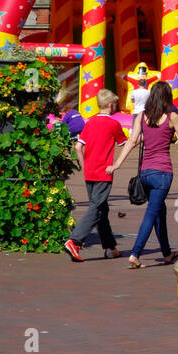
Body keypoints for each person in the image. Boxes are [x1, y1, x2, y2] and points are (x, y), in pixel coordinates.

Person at [109, 81, 178, 268]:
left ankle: (166, 253)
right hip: (162, 174)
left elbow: (132, 141)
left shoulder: (142, 116)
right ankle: (135, 254)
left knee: (160, 211)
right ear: (167, 97)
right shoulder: (172, 117)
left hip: (145, 173)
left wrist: (117, 164)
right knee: (151, 214)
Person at [64, 89, 134, 262]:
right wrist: (139, 138)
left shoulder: (89, 122)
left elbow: (78, 147)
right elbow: (126, 143)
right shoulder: (113, 124)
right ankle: (75, 240)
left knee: (101, 209)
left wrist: (84, 165)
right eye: (115, 104)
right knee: (96, 208)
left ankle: (110, 247)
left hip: (90, 171)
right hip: (104, 171)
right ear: (110, 105)